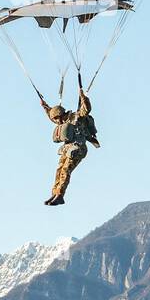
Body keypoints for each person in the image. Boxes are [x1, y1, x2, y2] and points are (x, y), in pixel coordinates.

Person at [40, 76, 99, 205]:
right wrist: (44, 106)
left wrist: (83, 96)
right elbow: (51, 116)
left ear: (62, 115)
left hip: (78, 148)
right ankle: (55, 193)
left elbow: (86, 109)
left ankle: (60, 195)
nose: (57, 122)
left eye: (58, 119)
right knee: (59, 170)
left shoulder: (77, 117)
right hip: (68, 149)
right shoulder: (61, 120)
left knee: (66, 170)